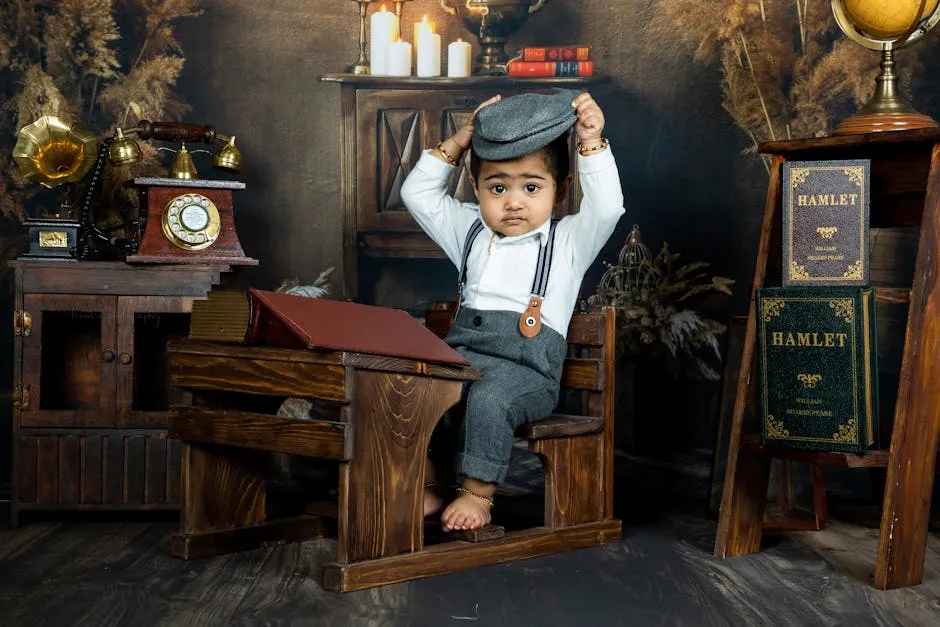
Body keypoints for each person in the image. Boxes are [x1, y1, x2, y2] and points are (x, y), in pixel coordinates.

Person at [400, 89, 625, 532]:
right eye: (497, 187)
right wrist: (459, 140)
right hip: (462, 358)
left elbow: (608, 206)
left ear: (560, 191)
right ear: (476, 189)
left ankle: (477, 494)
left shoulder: (569, 242)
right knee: (418, 389)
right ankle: (430, 482)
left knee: (490, 398)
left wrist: (591, 143)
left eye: (531, 186)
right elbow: (418, 194)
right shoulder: (469, 229)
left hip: (527, 374)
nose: (513, 202)